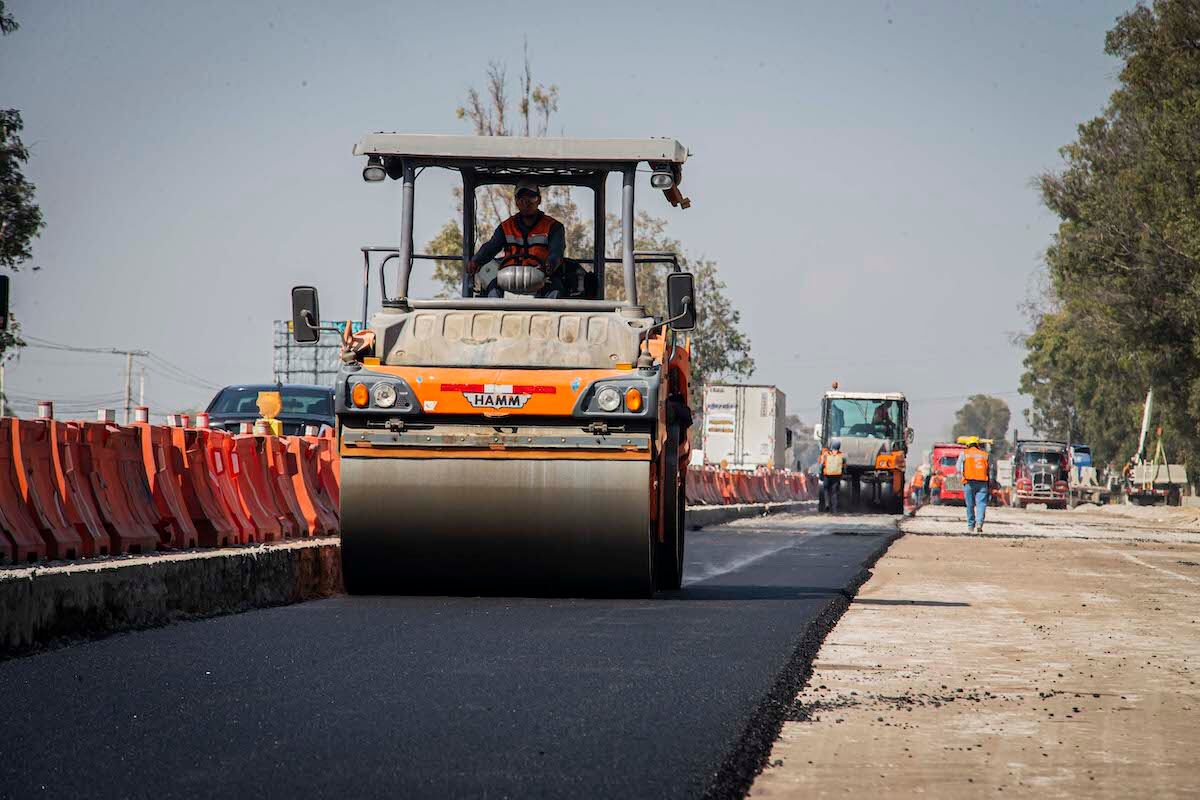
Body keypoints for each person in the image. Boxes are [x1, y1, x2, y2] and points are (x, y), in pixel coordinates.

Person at [465, 181, 566, 297]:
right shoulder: (506, 227)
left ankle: (550, 315)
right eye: (521, 199)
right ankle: (494, 315)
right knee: (492, 290)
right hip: (509, 277)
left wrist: (551, 264)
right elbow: (491, 247)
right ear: (516, 202)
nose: (526, 203)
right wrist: (476, 260)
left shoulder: (553, 227)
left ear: (539, 200)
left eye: (531, 198)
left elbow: (556, 251)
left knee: (556, 291)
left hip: (543, 277)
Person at [956, 436, 991, 532]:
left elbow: (958, 468)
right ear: (978, 445)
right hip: (982, 482)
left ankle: (971, 526)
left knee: (970, 505)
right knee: (981, 504)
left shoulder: (964, 453)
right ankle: (979, 523)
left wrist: (961, 478)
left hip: (969, 482)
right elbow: (988, 469)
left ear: (968, 445)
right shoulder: (985, 454)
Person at [819, 437, 846, 513]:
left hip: (827, 475)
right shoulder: (842, 456)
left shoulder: (826, 454)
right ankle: (835, 508)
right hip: (836, 476)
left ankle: (827, 504)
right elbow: (844, 467)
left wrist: (820, 474)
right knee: (835, 493)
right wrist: (842, 474)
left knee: (826, 490)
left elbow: (821, 465)